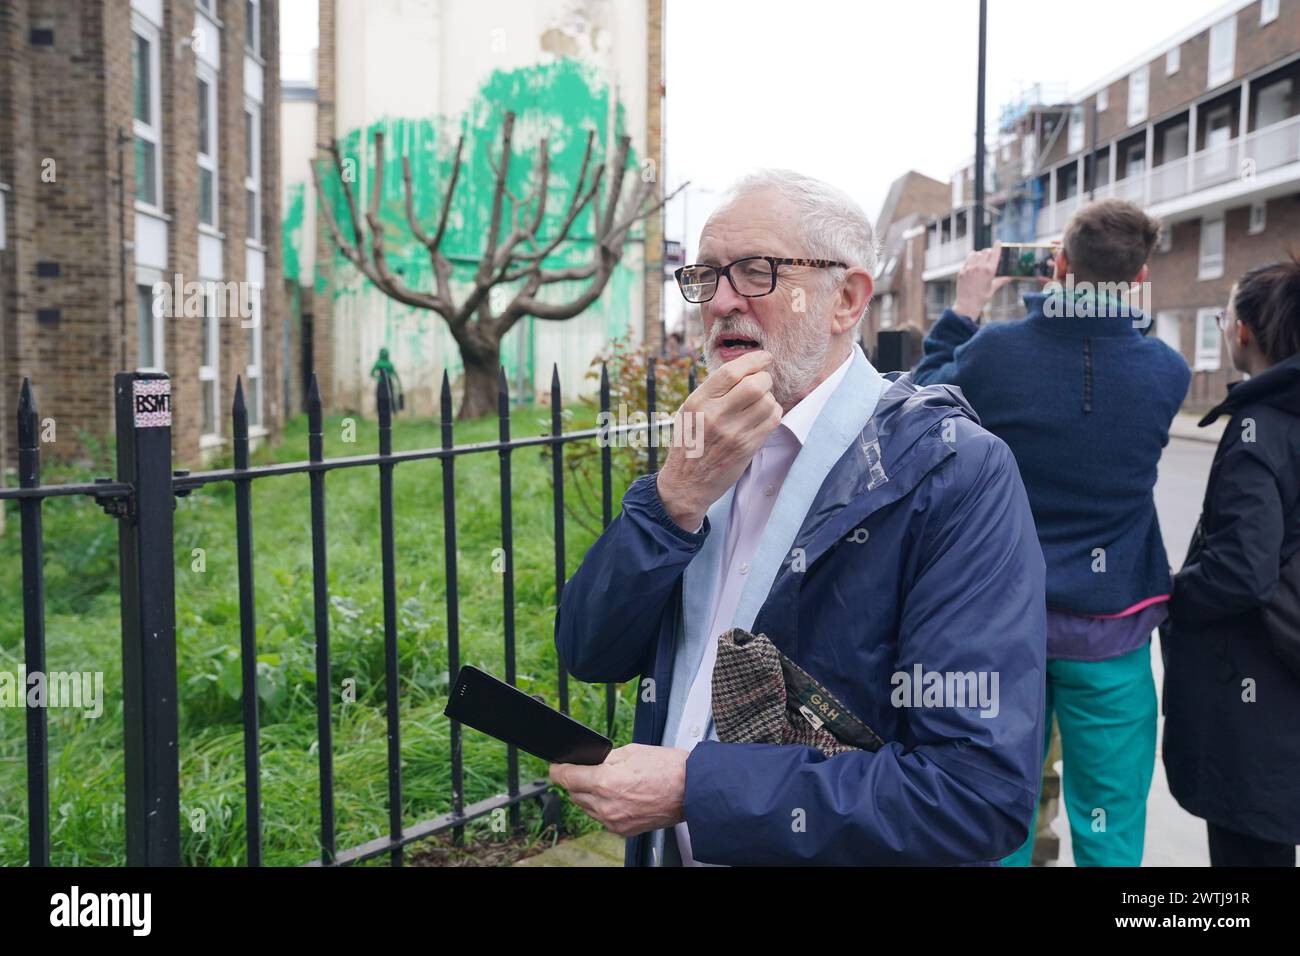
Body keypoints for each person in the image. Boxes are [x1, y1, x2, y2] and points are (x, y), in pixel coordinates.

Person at [547, 168, 1047, 866]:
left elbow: (974, 796)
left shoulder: (952, 474)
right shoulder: (705, 447)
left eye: (756, 272)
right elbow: (589, 651)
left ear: (845, 299)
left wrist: (698, 789)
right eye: (706, 276)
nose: (720, 301)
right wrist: (673, 501)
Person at [913, 199, 1191, 866]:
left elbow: (922, 406)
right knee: (1110, 824)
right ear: (1141, 277)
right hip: (1114, 631)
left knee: (998, 818)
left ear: (1058, 266)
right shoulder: (1168, 372)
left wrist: (965, 309)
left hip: (1006, 630)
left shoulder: (995, 355)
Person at [1162, 253, 1300, 867]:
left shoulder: (1260, 427)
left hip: (1257, 703)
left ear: (1241, 330)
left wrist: (1174, 594)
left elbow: (1242, 569)